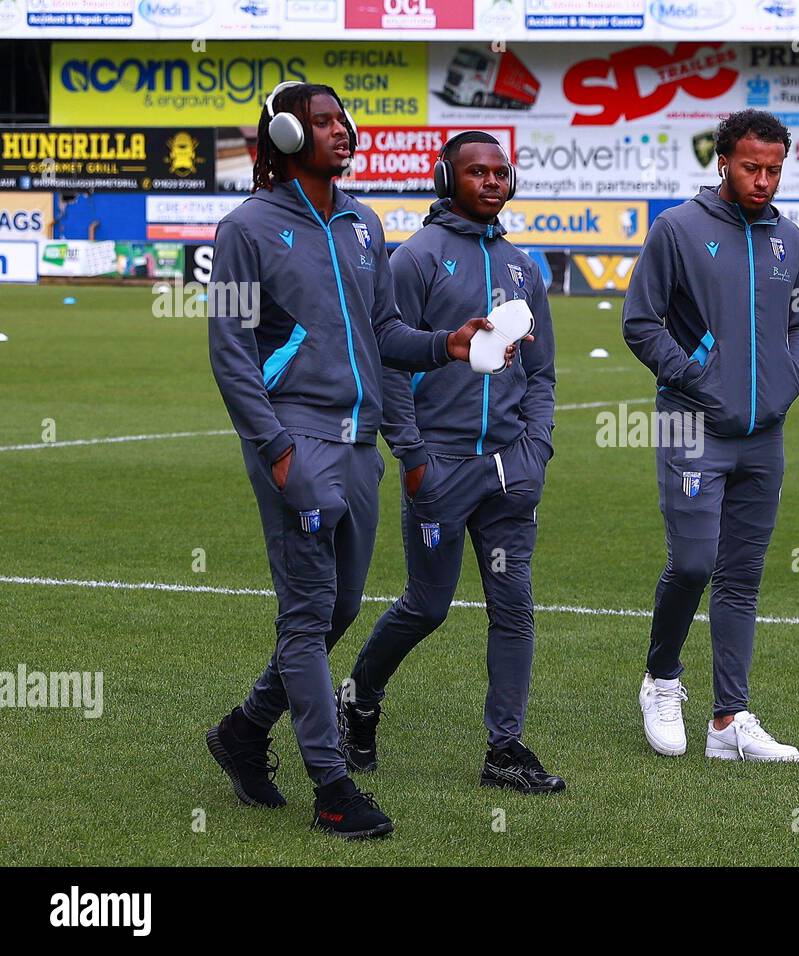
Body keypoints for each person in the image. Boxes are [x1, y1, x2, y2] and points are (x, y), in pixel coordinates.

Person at [205, 83, 511, 839]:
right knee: (308, 617)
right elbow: (231, 352)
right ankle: (332, 786)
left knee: (340, 608)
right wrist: (275, 450)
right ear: (282, 135)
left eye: (343, 118)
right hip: (296, 440)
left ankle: (244, 730)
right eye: (323, 121)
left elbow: (384, 333)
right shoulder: (245, 228)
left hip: (359, 444)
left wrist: (446, 343)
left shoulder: (364, 224)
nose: (343, 129)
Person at [339, 132, 564, 794]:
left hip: (509, 473)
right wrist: (412, 458)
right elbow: (386, 360)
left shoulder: (524, 268)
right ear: (447, 177)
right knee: (427, 606)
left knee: (514, 606)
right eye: (477, 171)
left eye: (500, 172)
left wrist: (536, 446)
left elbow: (544, 371)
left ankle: (505, 749)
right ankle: (360, 696)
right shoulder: (414, 260)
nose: (492, 181)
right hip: (438, 468)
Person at [623, 109, 799, 762]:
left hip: (765, 434)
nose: (763, 180)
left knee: (741, 576)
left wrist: (790, 378)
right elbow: (640, 321)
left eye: (774, 170)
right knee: (695, 564)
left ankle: (729, 721)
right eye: (751, 167)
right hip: (691, 422)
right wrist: (696, 378)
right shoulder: (677, 229)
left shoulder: (788, 235)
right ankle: (662, 678)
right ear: (724, 163)